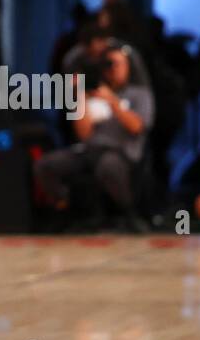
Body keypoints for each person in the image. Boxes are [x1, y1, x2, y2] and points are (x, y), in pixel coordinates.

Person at [35, 47, 154, 232]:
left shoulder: (139, 94)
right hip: (90, 149)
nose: (112, 69)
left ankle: (129, 214)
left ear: (128, 66)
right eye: (108, 65)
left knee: (108, 165)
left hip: (122, 151)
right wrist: (80, 94)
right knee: (45, 165)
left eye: (117, 64)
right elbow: (83, 133)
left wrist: (113, 102)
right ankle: (64, 209)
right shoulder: (95, 93)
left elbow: (137, 127)